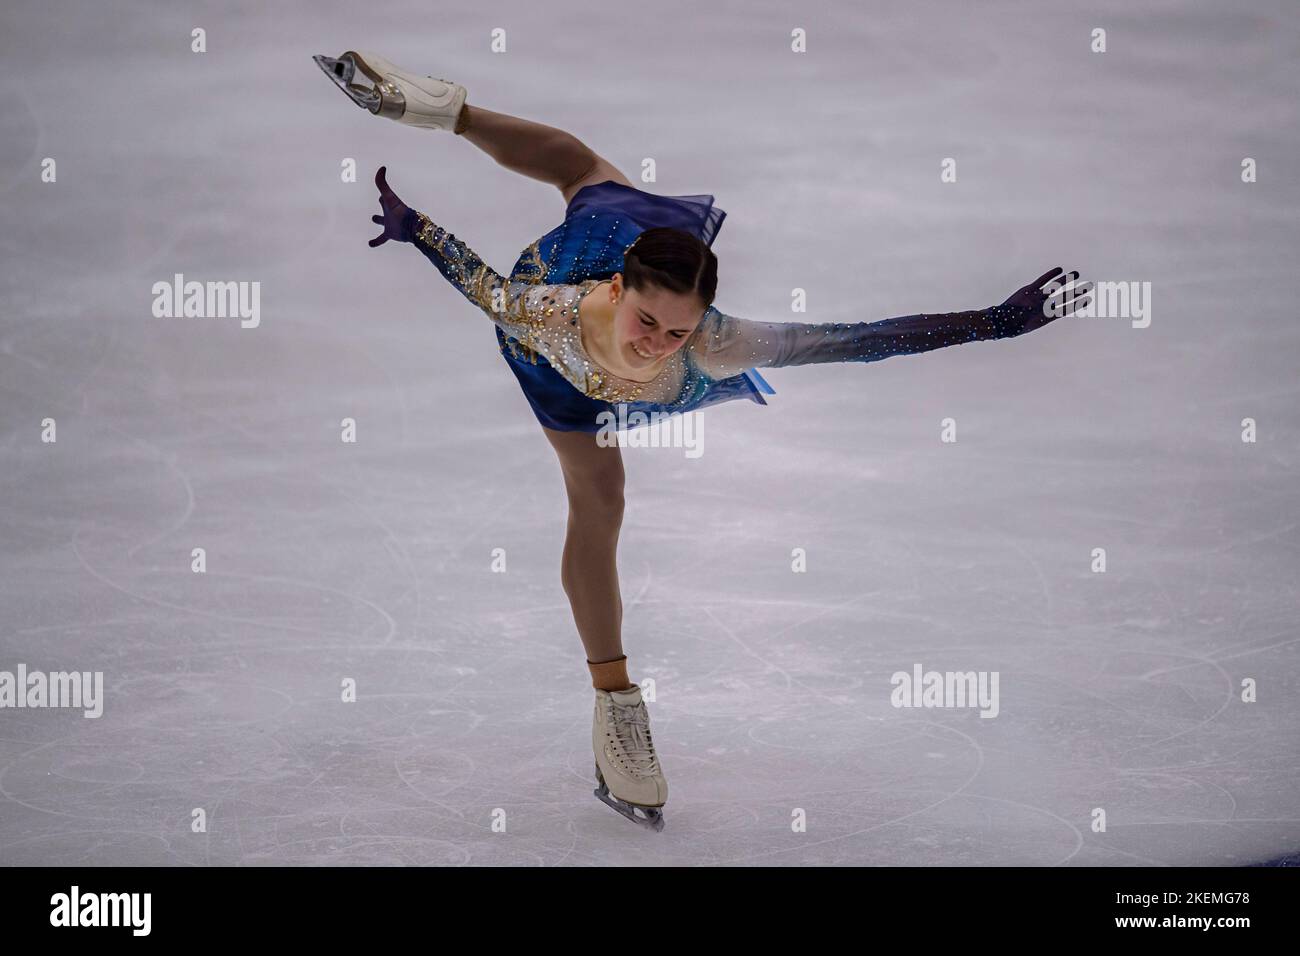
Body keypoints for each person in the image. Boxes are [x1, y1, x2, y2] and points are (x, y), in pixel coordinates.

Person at [314, 51, 1092, 831]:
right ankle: (616, 701)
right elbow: (482, 284)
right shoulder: (543, 312)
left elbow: (858, 340)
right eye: (648, 322)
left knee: (590, 174)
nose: (659, 342)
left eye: (676, 330)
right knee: (601, 491)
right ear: (621, 291)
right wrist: (416, 229)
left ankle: (448, 111)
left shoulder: (711, 341)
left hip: (630, 266)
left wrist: (990, 324)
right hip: (557, 358)